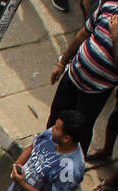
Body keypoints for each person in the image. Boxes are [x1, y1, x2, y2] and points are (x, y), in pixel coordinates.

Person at [47, 0, 118, 154]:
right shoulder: (109, 6)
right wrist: (62, 63)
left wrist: (116, 37)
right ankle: (44, 154)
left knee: (79, 133)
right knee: (56, 119)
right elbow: (82, 34)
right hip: (73, 75)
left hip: (95, 93)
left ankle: (67, 172)